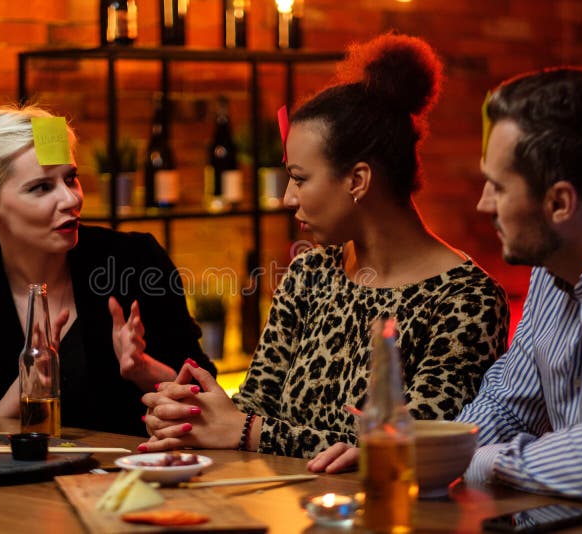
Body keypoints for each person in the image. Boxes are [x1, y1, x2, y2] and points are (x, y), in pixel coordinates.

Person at [139, 34, 509, 458]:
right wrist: (194, 413)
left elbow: (410, 445)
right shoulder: (309, 273)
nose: (288, 198)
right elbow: (256, 405)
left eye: (300, 178)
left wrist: (247, 431)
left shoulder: (467, 300)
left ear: (357, 181)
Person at [0, 105, 215, 436]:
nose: (70, 199)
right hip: (16, 485)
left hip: (134, 476)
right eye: (41, 187)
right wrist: (26, 385)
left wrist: (144, 370)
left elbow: (212, 403)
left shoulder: (134, 261)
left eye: (71, 178)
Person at [454, 67, 582, 504]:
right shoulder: (553, 267)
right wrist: (423, 452)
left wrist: (485, 461)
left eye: (497, 187)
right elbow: (507, 403)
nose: (483, 204)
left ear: (559, 203)